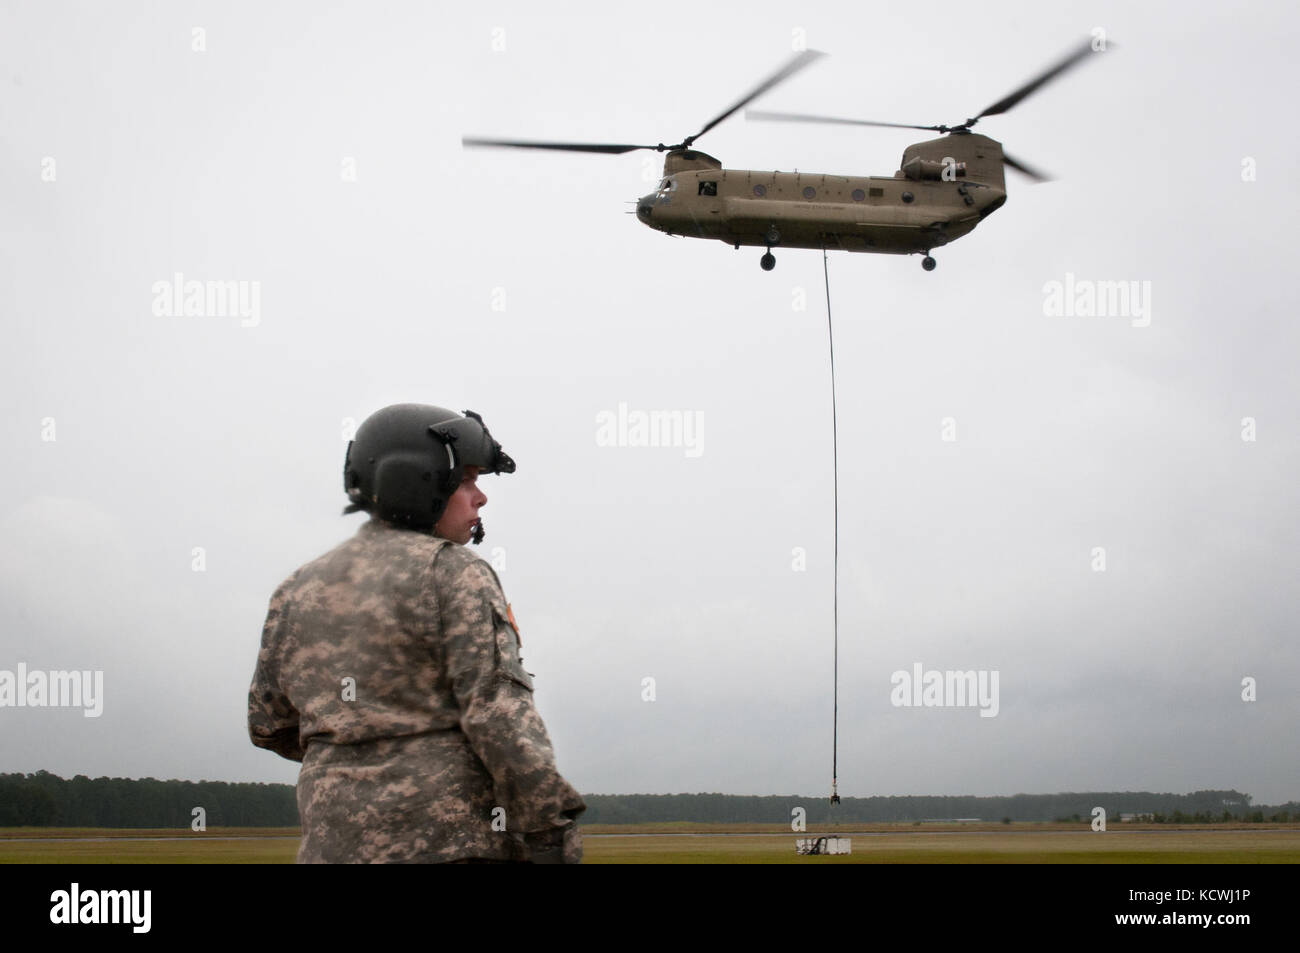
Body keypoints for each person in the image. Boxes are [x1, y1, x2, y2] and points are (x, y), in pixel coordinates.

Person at [247, 403, 585, 863]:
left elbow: (270, 725)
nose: (480, 497)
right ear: (418, 480)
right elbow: (498, 718)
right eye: (466, 480)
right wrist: (551, 832)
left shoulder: (295, 589)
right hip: (447, 847)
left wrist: (361, 754)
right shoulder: (453, 572)